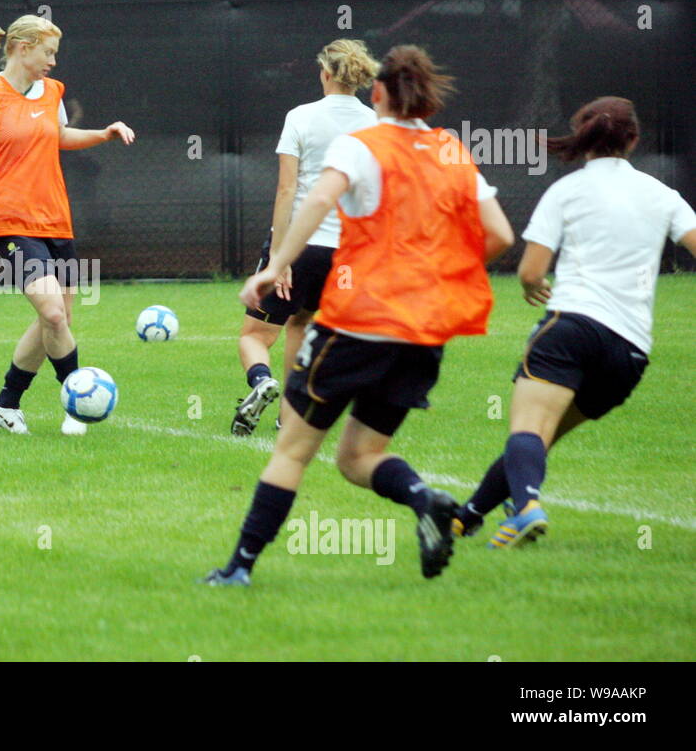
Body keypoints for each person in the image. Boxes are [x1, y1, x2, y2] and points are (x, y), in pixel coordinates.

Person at [202, 45, 514, 585]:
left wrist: (273, 265)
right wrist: (442, 275)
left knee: (293, 451)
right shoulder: (450, 150)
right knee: (360, 456)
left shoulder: (360, 145)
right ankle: (426, 500)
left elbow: (317, 201)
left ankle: (238, 568)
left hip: (358, 324)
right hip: (423, 333)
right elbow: (501, 235)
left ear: (378, 93)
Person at [454, 96, 696, 548]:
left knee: (528, 431)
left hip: (571, 330)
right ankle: (466, 516)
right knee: (537, 441)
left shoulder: (567, 191)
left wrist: (530, 287)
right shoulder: (663, 194)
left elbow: (530, 270)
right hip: (629, 353)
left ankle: (526, 508)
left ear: (584, 140)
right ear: (635, 139)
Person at [0, 14, 134, 436]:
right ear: (23, 48)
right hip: (7, 222)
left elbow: (58, 136)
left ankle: (6, 405)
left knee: (59, 320)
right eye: (48, 52)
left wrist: (104, 133)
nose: (53, 62)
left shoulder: (51, 91)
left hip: (56, 220)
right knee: (53, 313)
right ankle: (78, 403)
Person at [233, 39, 378, 436]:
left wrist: (279, 258)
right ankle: (290, 417)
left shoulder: (301, 116)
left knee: (254, 336)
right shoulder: (375, 123)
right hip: (346, 251)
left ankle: (262, 382)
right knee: (303, 322)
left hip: (300, 245)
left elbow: (287, 190)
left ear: (326, 74)